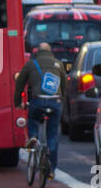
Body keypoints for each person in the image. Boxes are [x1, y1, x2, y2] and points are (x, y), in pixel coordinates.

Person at [12, 42, 66, 171]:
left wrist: (18, 102)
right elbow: (64, 85)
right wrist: (61, 100)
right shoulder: (58, 64)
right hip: (55, 102)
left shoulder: (31, 64)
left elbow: (20, 83)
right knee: (52, 133)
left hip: (38, 100)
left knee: (33, 118)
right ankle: (51, 169)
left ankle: (34, 137)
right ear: (50, 51)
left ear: (37, 51)